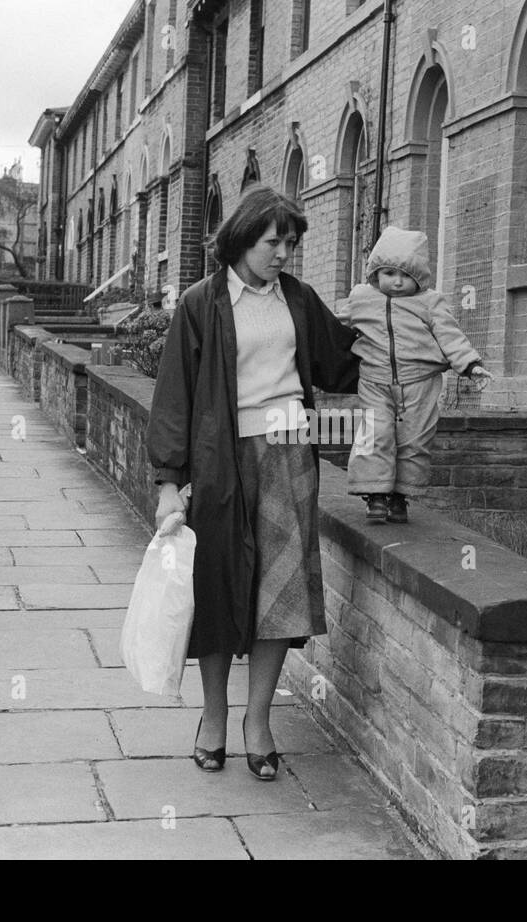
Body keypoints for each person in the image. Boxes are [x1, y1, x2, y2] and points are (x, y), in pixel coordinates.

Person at [147, 184, 360, 780]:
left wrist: (401, 322)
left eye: (291, 243)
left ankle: (257, 721)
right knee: (217, 591)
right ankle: (213, 717)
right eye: (275, 241)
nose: (284, 253)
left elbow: (341, 361)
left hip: (289, 458)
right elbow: (174, 397)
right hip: (220, 464)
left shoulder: (297, 299)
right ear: (243, 238)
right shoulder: (201, 303)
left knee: (280, 595)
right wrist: (170, 482)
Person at [337, 225, 493, 523]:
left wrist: (471, 365)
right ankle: (376, 493)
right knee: (376, 434)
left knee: (413, 439)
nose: (397, 282)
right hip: (375, 381)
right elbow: (333, 324)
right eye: (389, 274)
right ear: (375, 273)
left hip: (419, 382)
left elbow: (451, 336)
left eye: (406, 276)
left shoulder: (430, 302)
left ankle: (400, 495)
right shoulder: (361, 298)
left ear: (419, 277)